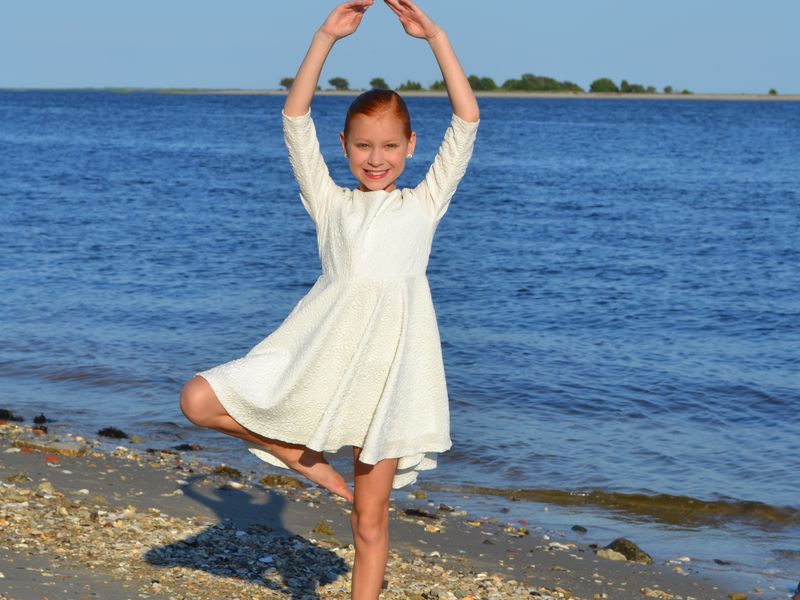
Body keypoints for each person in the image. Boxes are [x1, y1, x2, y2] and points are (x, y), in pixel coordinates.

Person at [179, 0, 479, 596]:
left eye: (389, 146)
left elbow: (467, 120)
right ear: (344, 146)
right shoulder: (330, 203)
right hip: (323, 357)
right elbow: (295, 119)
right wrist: (325, 38)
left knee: (369, 521)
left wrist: (436, 37)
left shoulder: (425, 203)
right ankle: (294, 452)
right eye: (364, 146)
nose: (376, 158)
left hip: (392, 376)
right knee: (197, 399)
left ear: (410, 146)